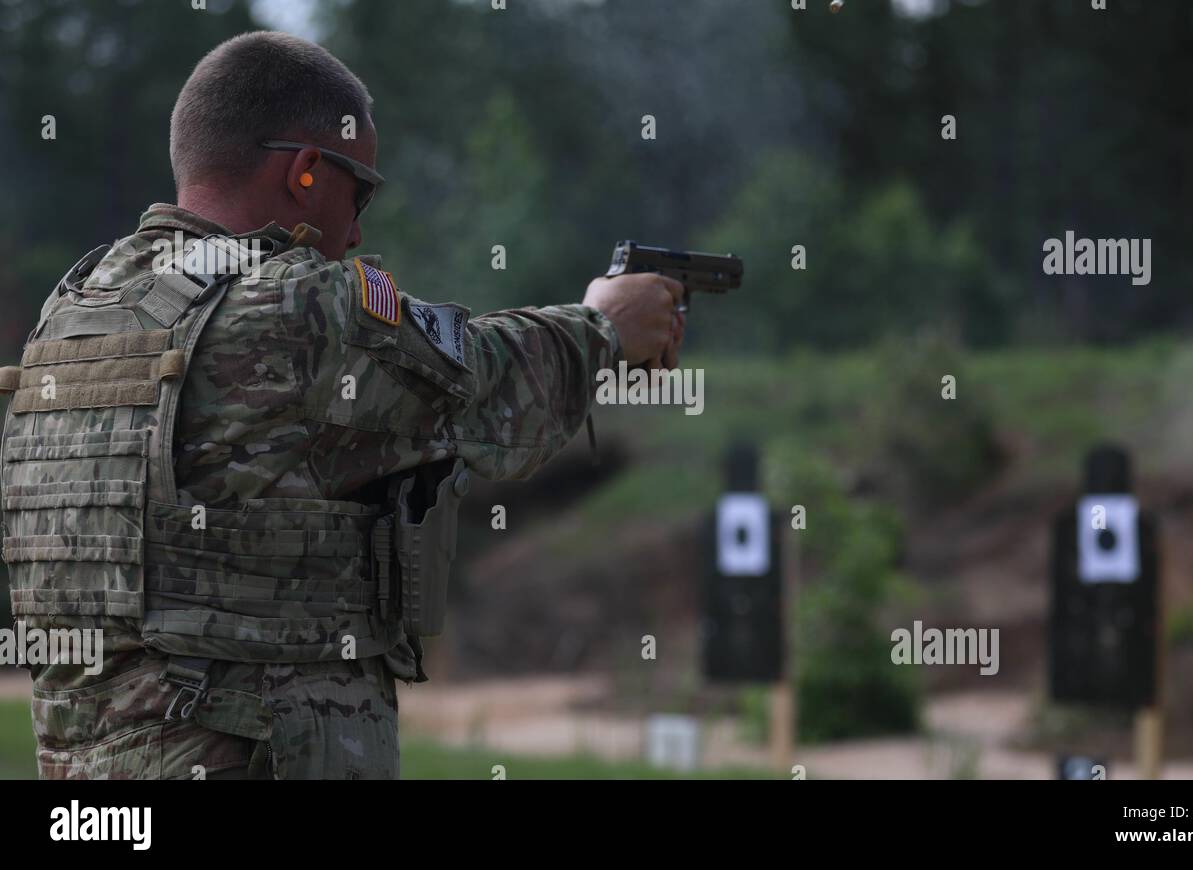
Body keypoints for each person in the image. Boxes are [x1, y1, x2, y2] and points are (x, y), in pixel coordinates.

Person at [0, 30, 684, 779]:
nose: (357, 232)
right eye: (358, 191)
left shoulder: (70, 312)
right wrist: (605, 327)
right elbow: (487, 384)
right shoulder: (297, 302)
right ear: (304, 171)